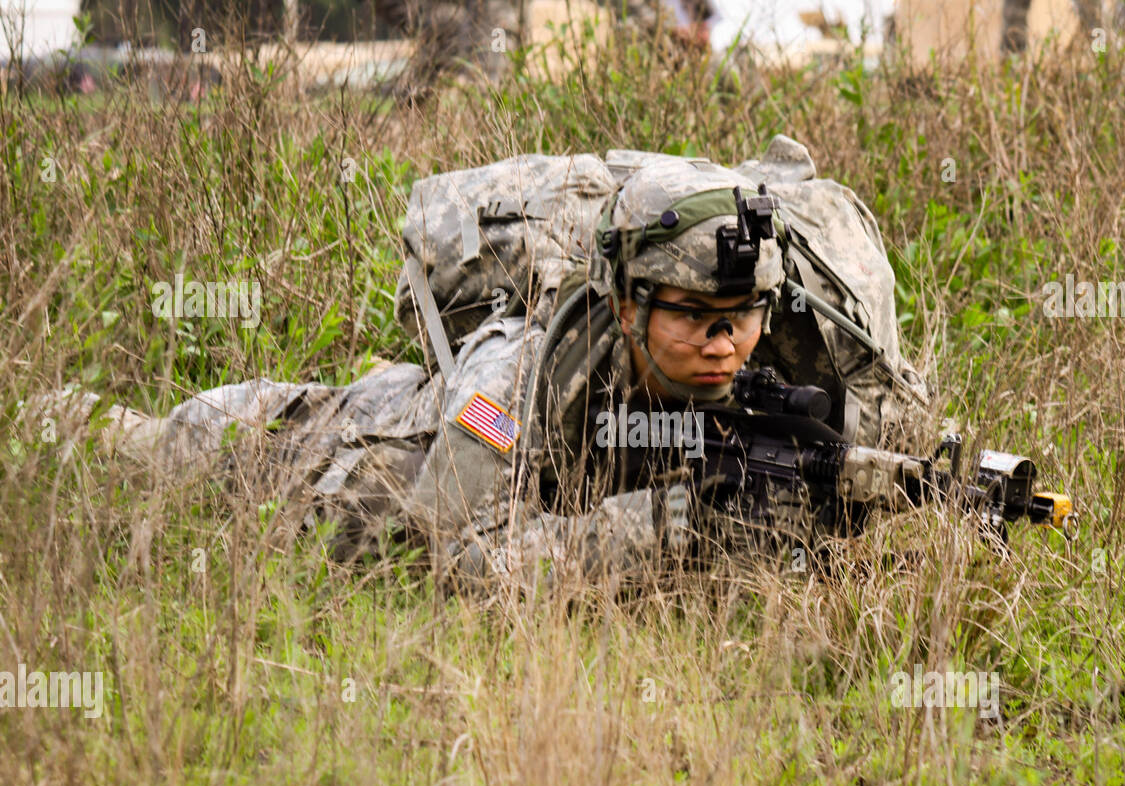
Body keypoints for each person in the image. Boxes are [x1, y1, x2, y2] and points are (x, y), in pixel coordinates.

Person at [32, 157, 917, 584]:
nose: (725, 343)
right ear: (623, 303)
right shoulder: (515, 375)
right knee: (128, 448)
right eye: (691, 316)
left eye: (743, 317)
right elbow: (451, 560)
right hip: (303, 456)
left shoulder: (749, 385)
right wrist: (665, 523)